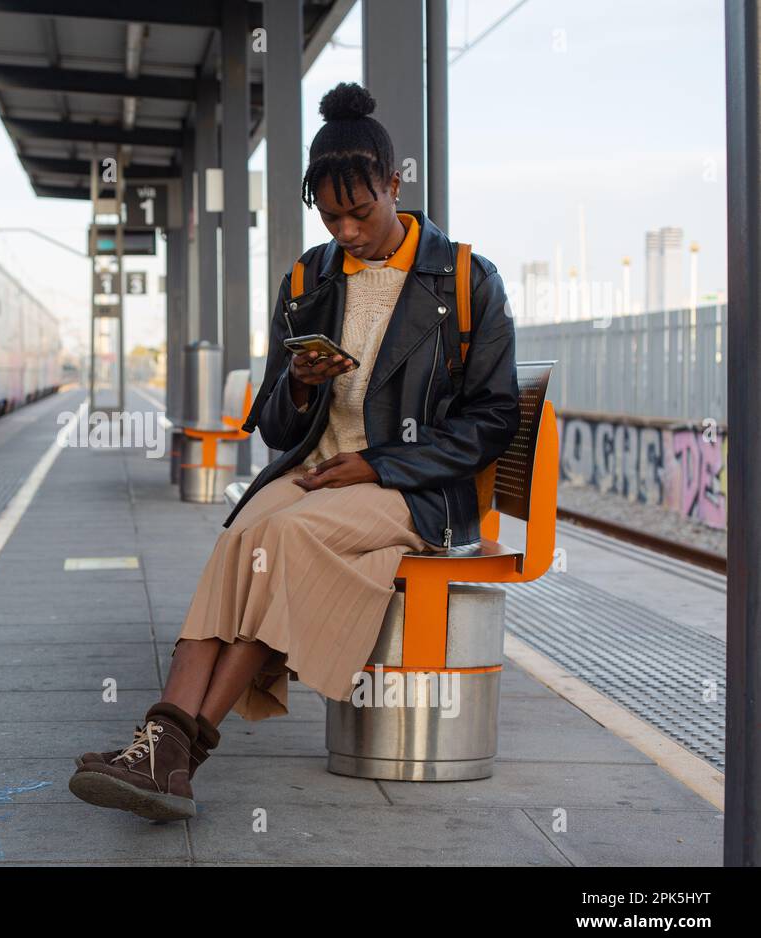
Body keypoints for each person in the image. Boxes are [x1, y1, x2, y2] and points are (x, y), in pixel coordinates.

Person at [68, 81, 520, 822]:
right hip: (317, 477)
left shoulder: (465, 281)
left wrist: (378, 463)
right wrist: (304, 388)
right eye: (330, 214)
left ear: (394, 184)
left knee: (277, 537)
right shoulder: (309, 281)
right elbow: (276, 427)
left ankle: (174, 752)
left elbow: (494, 416)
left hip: (413, 490)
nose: (344, 230)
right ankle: (166, 752)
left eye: (360, 211)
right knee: (241, 535)